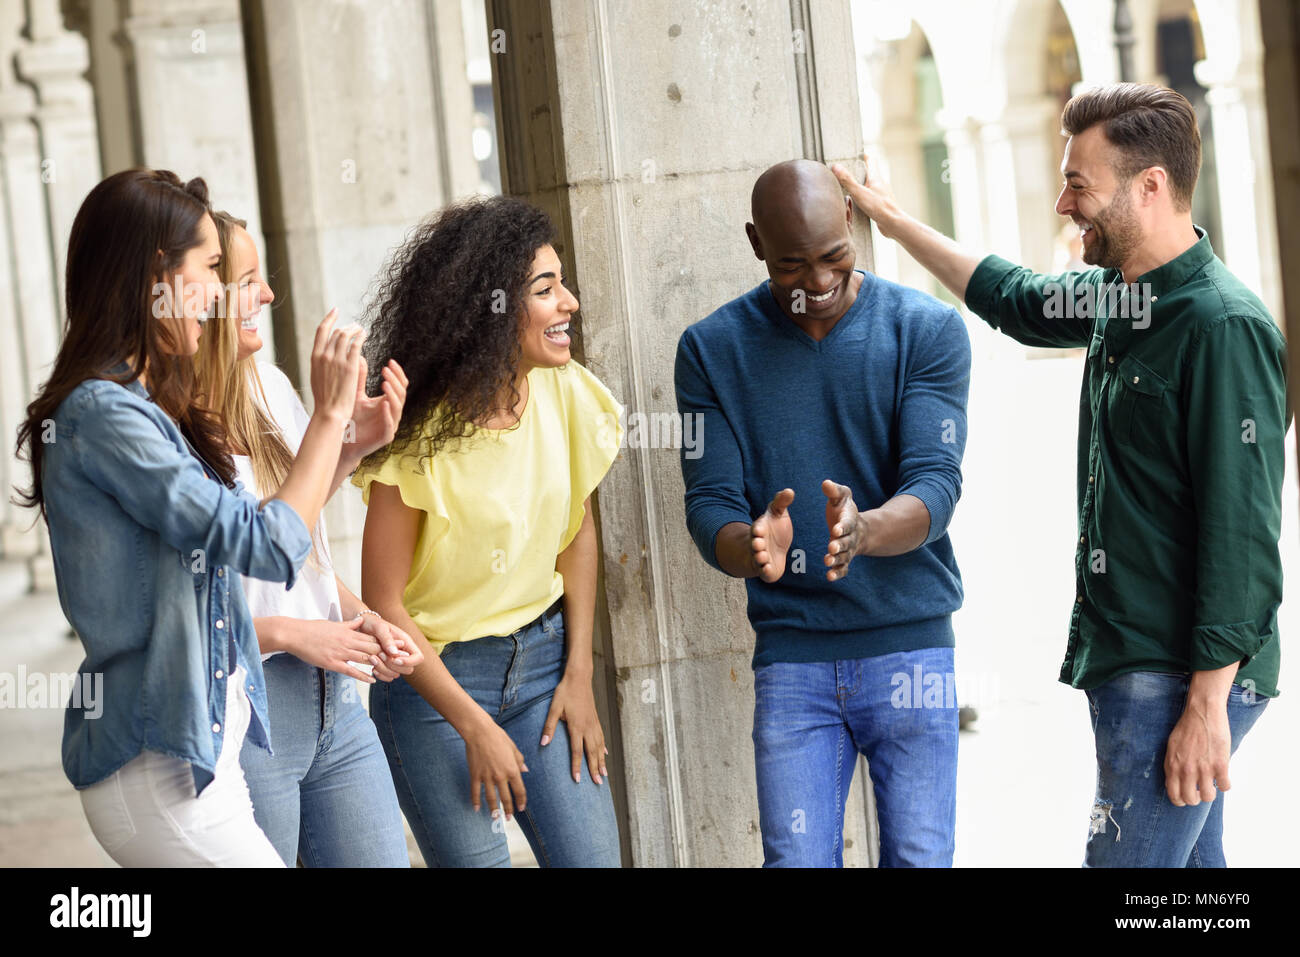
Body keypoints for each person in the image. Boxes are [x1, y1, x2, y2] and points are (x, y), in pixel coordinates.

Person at [832, 82, 1284, 867]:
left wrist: (1207, 705)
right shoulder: (1121, 298)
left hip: (1179, 674)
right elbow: (1013, 295)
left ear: (1150, 187)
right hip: (1138, 663)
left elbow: (1242, 537)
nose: (1062, 202)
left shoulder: (1222, 326)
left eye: (1080, 184)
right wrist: (893, 220)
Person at [14, 168, 363, 866]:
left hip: (200, 760)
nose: (218, 296)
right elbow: (263, 543)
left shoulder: (141, 407)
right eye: (210, 269)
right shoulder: (104, 414)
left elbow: (221, 570)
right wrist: (327, 418)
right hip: (157, 774)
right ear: (157, 277)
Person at [675, 159, 971, 867]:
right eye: (791, 265)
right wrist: (750, 547)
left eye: (835, 256)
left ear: (851, 217)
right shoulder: (710, 350)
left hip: (912, 653)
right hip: (794, 662)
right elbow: (708, 501)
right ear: (755, 244)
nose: (816, 282)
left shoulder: (926, 331)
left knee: (921, 860)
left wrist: (864, 529)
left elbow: (936, 484)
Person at [355, 195, 624, 867]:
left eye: (561, 283)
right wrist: (471, 722)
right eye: (546, 288)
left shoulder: (565, 393)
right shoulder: (412, 440)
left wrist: (579, 675)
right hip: (435, 688)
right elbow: (384, 606)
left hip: (545, 672)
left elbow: (576, 533)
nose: (570, 303)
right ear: (490, 307)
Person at [192, 209, 422, 867]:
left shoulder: (269, 385)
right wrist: (294, 635)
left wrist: (364, 618)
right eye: (248, 280)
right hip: (253, 713)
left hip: (337, 704)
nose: (267, 295)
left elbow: (297, 548)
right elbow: (189, 613)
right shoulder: (165, 433)